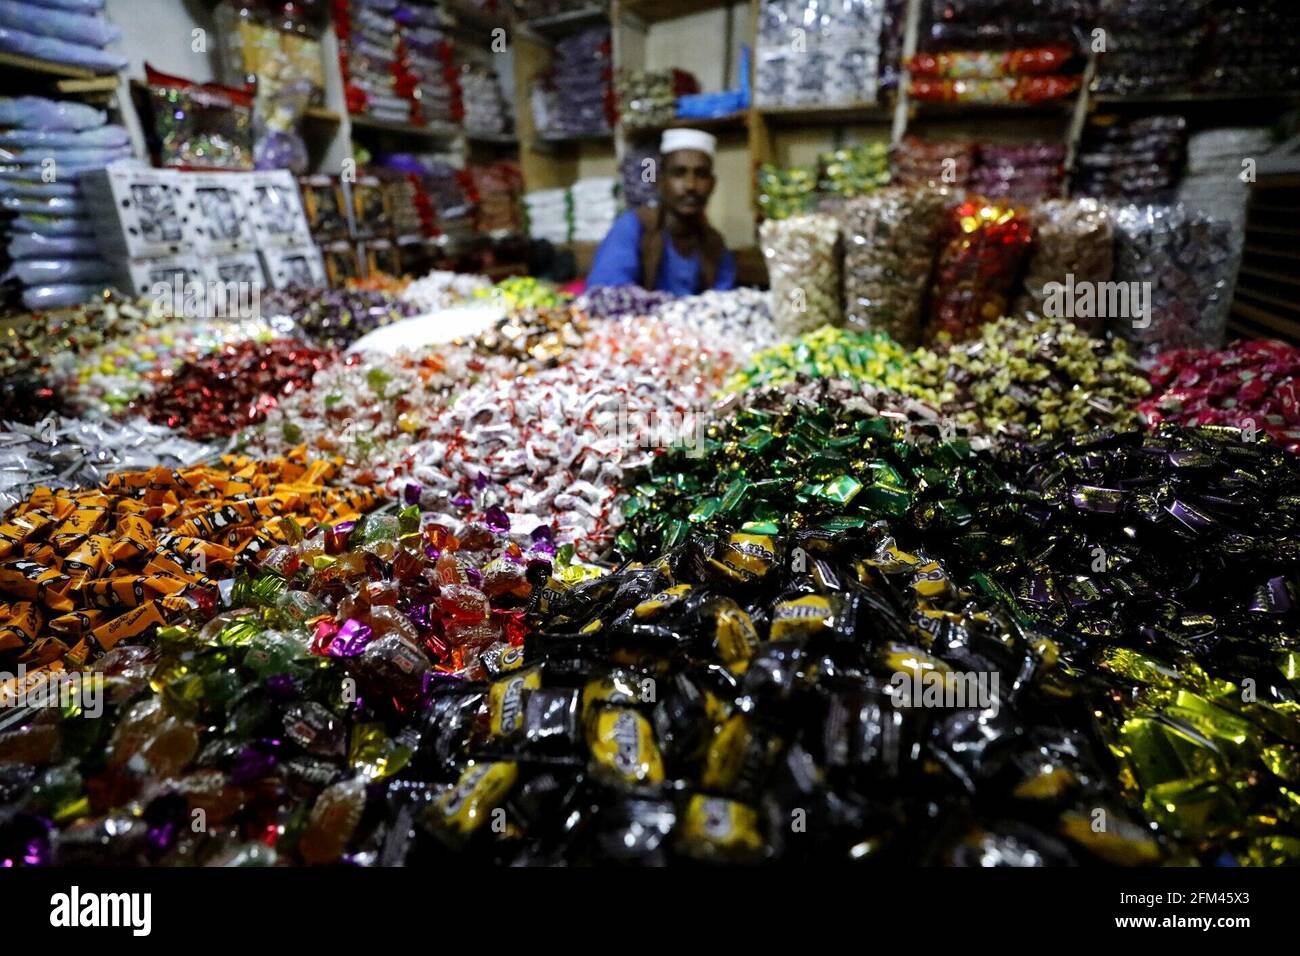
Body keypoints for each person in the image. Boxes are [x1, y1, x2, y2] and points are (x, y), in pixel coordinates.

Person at [585, 128, 736, 295]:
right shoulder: (633, 228)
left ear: (712, 184)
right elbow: (608, 295)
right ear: (659, 181)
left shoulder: (714, 244)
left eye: (700, 174)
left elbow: (723, 303)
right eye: (679, 173)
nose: (690, 185)